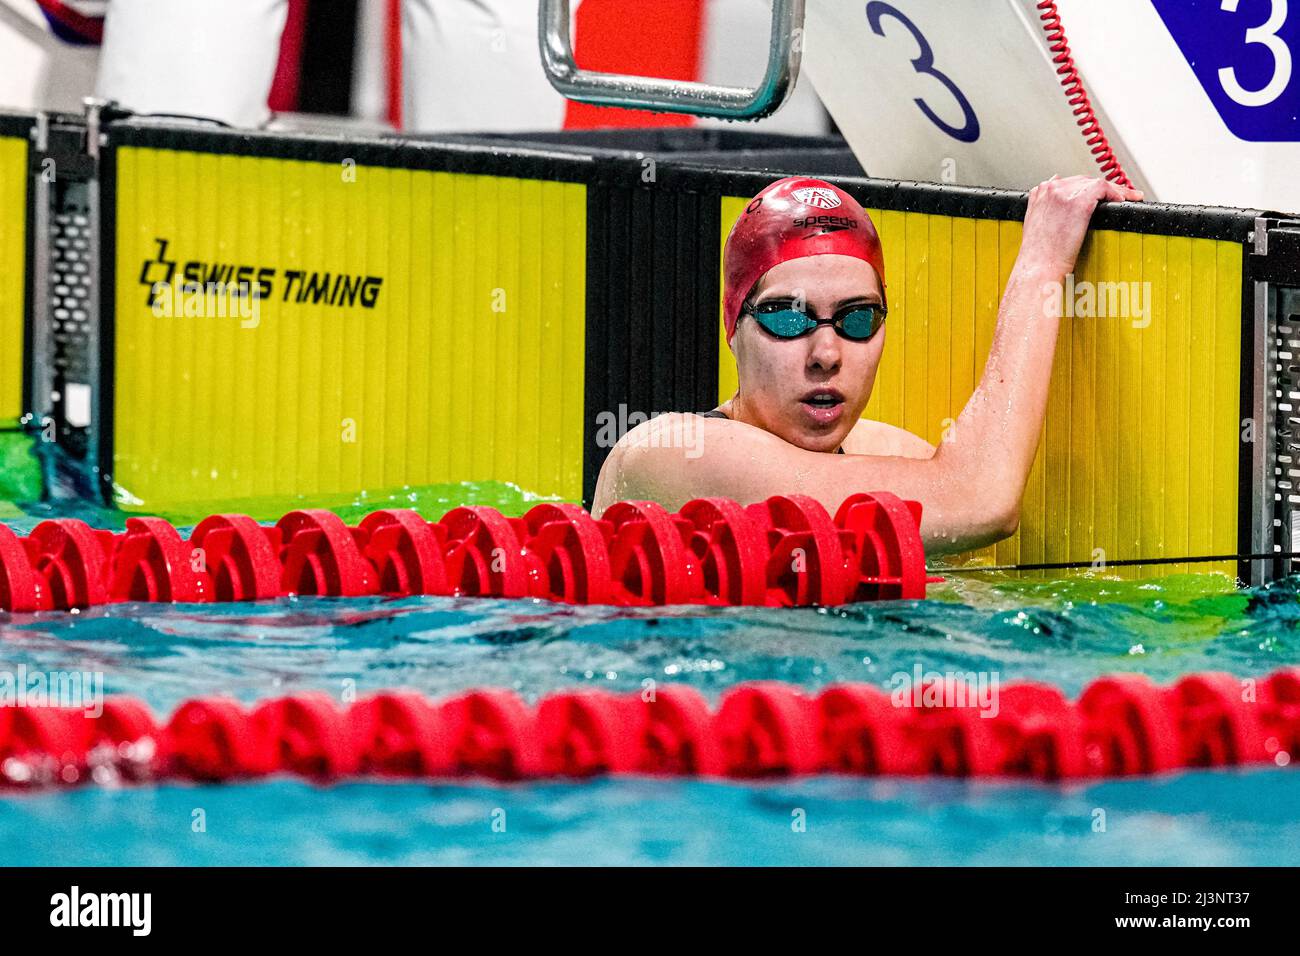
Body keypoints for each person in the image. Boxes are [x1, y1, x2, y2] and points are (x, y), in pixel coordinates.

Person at [592, 173, 1145, 554]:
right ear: (733, 327)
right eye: (788, 318)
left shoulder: (890, 455)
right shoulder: (673, 456)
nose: (827, 355)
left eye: (857, 319)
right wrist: (1044, 263)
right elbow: (983, 501)